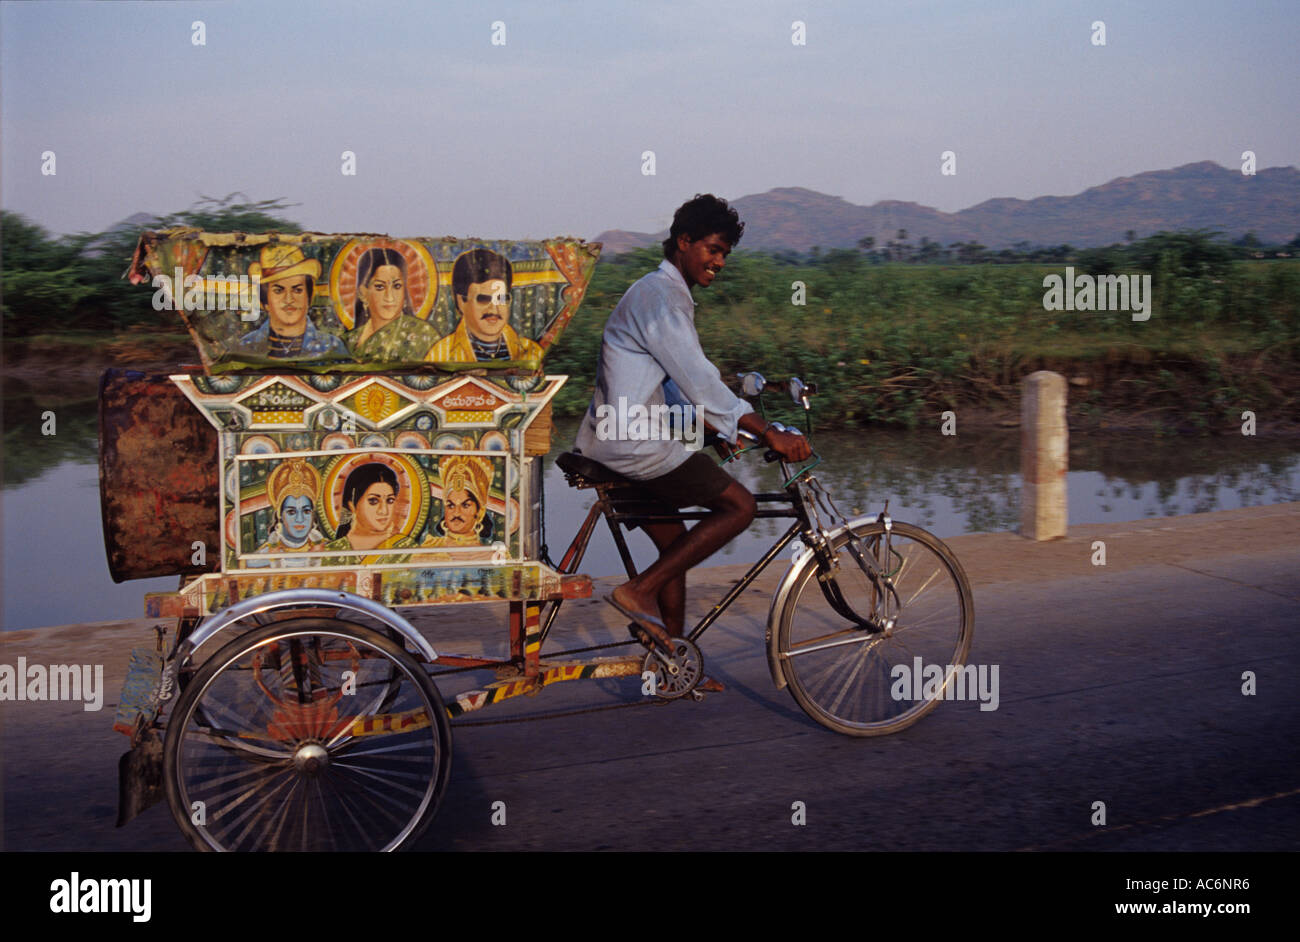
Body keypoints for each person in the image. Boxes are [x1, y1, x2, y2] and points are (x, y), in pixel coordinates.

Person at [571, 194, 811, 658]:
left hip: (618, 438)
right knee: (739, 506)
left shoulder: (658, 292)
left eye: (724, 254)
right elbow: (699, 380)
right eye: (712, 249)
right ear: (684, 241)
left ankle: (671, 657)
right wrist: (767, 432)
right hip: (633, 443)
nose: (719, 262)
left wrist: (714, 431)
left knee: (676, 546)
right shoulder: (661, 298)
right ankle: (638, 592)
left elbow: (673, 384)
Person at [425, 248, 543, 363]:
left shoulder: (532, 352)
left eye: (501, 299)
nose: (494, 309)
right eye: (483, 300)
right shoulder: (440, 355)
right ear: (461, 302)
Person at [231, 244, 349, 360]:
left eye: (297, 290)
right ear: (265, 301)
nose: (289, 299)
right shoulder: (246, 346)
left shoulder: (331, 346)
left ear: (309, 297)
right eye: (278, 291)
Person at [344, 246, 441, 362]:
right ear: (363, 293)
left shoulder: (424, 335)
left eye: (397, 286)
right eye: (380, 287)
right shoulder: (347, 341)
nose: (389, 297)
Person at [323, 462, 417, 563]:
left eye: (390, 500)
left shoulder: (407, 549)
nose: (384, 511)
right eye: (373, 501)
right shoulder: (329, 553)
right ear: (352, 505)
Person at [248, 459, 326, 567]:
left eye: (306, 511)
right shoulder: (258, 560)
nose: (300, 519)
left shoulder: (329, 552)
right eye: (291, 512)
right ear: (280, 515)